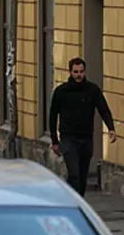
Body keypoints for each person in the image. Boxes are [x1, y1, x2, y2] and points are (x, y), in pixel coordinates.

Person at [49, 57, 117, 196]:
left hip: (86, 138)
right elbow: (52, 116)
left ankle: (79, 201)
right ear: (70, 72)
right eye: (75, 72)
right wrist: (55, 141)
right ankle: (73, 204)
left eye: (81, 72)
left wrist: (111, 128)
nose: (78, 75)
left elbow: (103, 109)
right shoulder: (61, 92)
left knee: (82, 175)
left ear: (85, 72)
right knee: (74, 174)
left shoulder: (92, 90)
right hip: (69, 138)